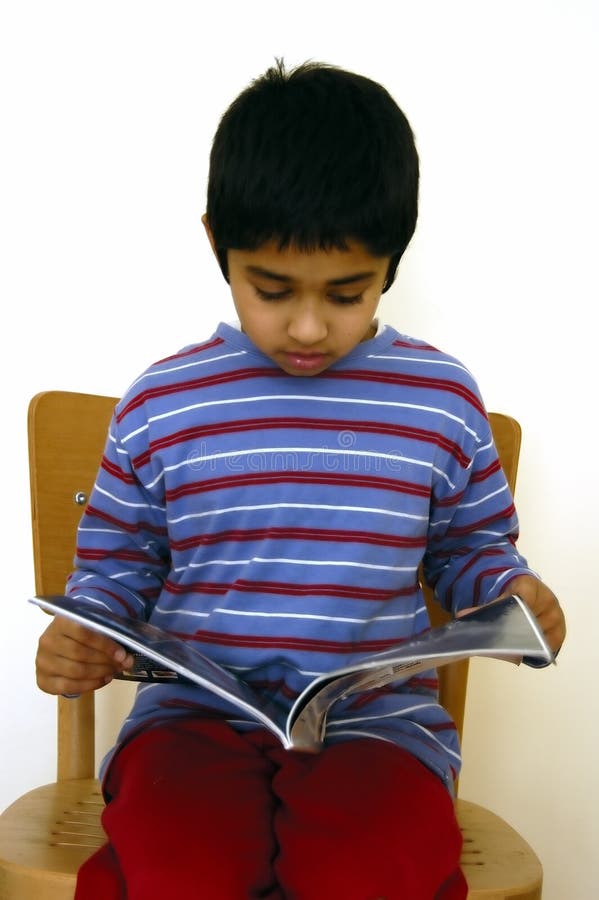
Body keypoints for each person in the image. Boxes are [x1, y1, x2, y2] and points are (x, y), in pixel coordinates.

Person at [35, 60, 565, 900]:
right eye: (271, 290)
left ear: (391, 260)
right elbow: (119, 566)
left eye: (347, 293)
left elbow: (469, 548)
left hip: (377, 728)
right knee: (179, 871)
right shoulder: (162, 403)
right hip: (192, 723)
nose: (309, 327)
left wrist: (512, 596)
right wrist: (87, 632)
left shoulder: (441, 400)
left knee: (370, 876)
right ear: (218, 245)